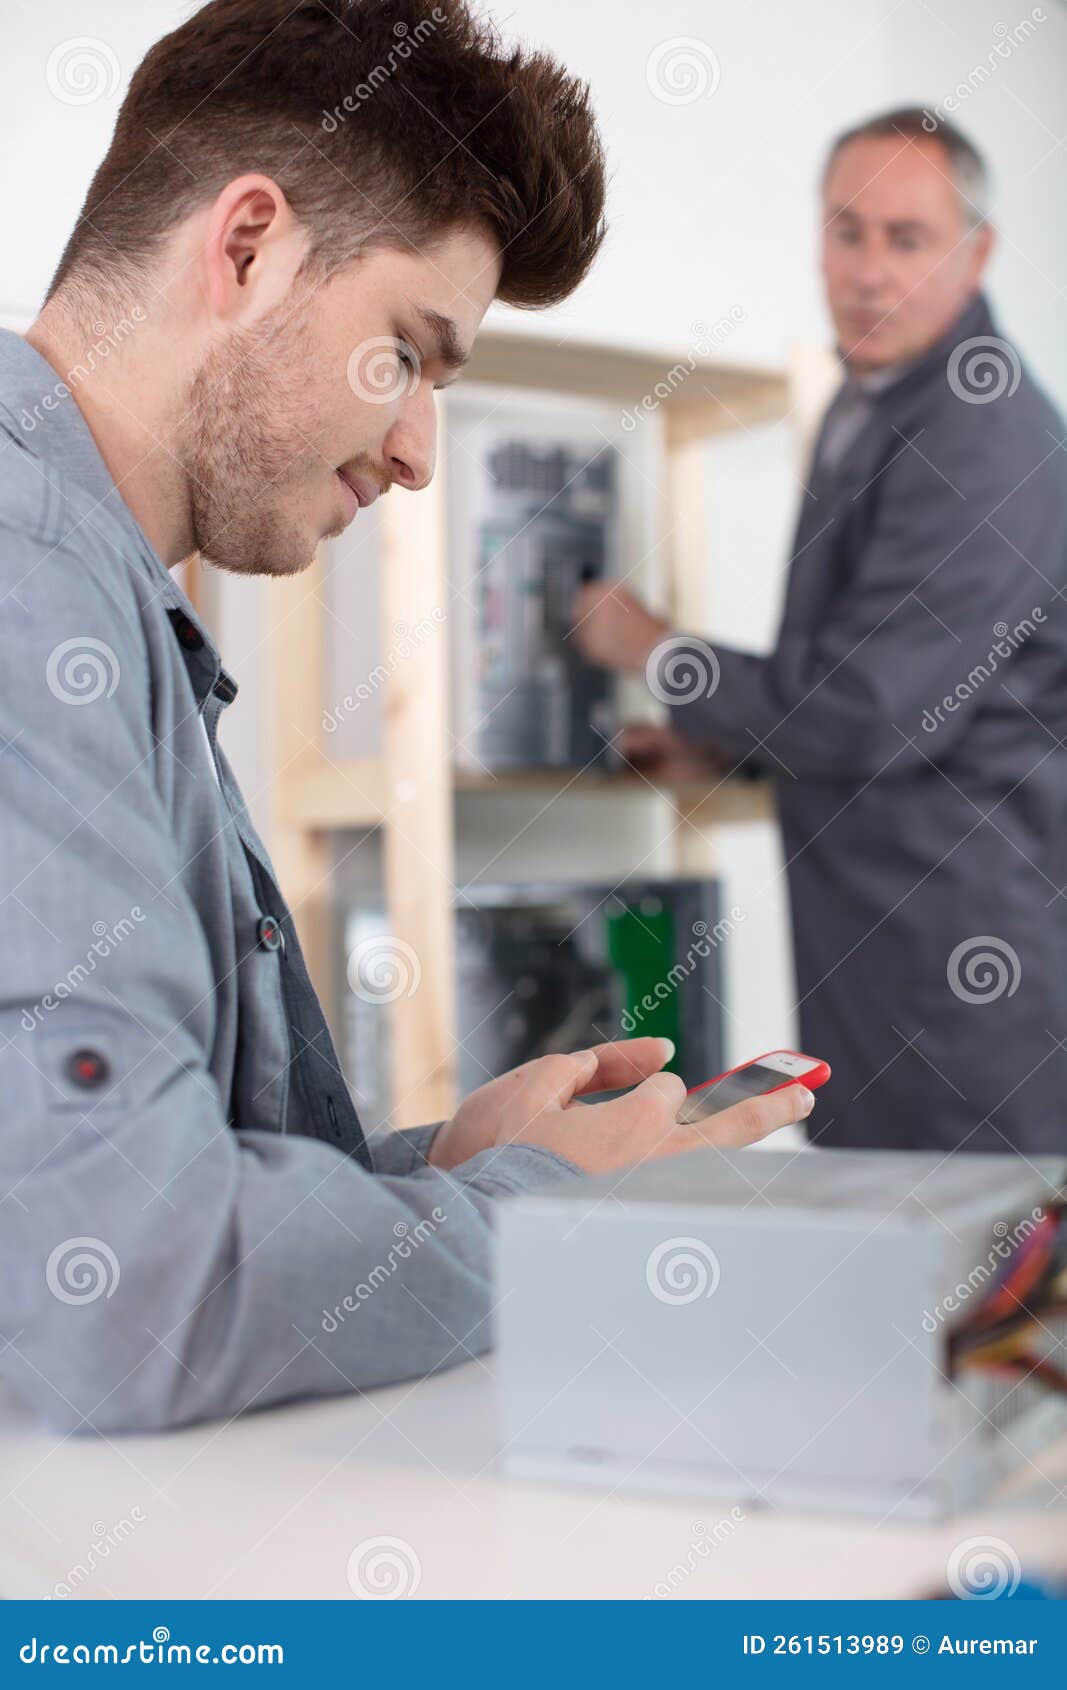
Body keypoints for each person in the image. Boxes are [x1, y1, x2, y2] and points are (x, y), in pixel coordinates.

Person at [0, 0, 816, 1436]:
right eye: (406, 356)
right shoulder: (29, 579)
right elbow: (124, 1283)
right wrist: (535, 1209)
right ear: (246, 248)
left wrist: (448, 1169)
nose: (418, 451)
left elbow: (130, 1185)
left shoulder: (95, 591)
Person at [574, 109, 1067, 1157]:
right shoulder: (878, 397)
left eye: (906, 239)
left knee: (978, 1261)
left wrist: (659, 652)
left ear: (976, 253)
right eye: (847, 232)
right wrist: (729, 749)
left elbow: (871, 711)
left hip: (966, 992)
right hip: (881, 974)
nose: (867, 271)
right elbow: (891, 684)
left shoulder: (982, 428)